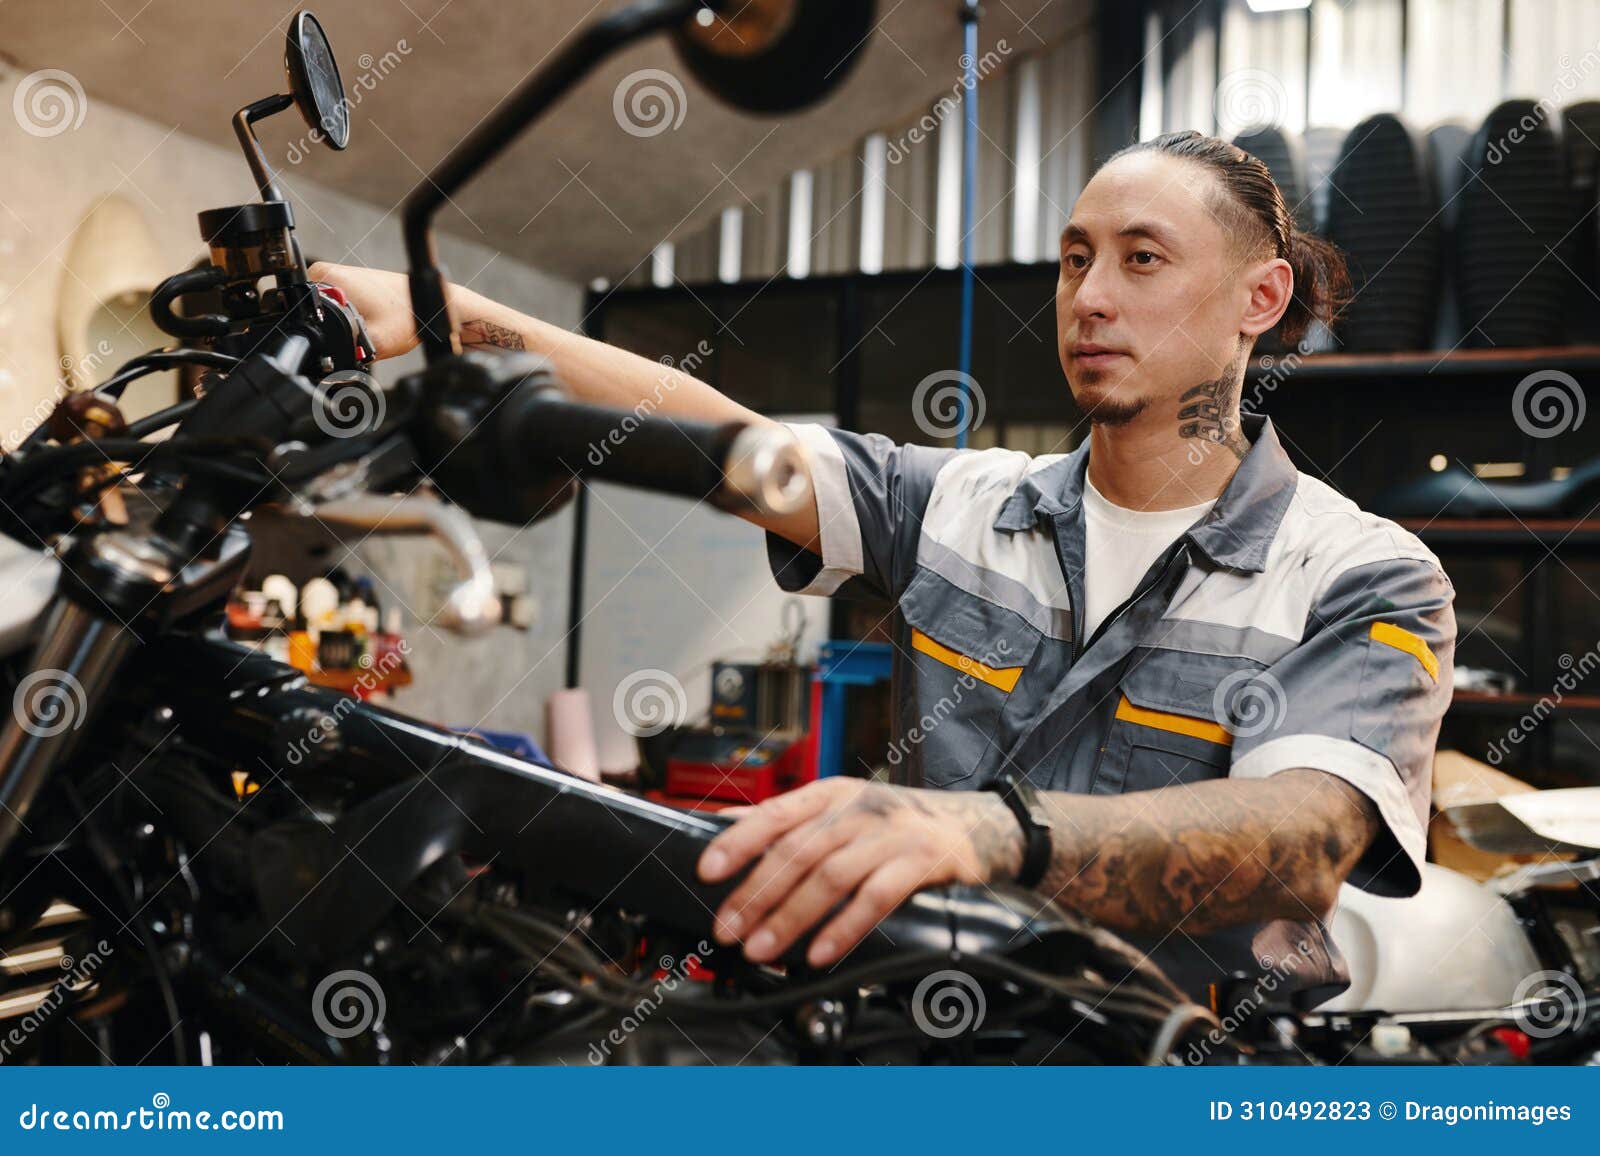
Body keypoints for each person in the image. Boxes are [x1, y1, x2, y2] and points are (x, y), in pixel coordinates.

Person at [311, 130, 1455, 1001]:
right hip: (914, 1039)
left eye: (1141, 259)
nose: (1089, 297)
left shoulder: (1362, 573)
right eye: (1075, 259)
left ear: (1261, 299)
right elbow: (727, 440)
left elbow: (1301, 839)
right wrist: (451, 312)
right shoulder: (958, 506)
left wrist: (984, 834)